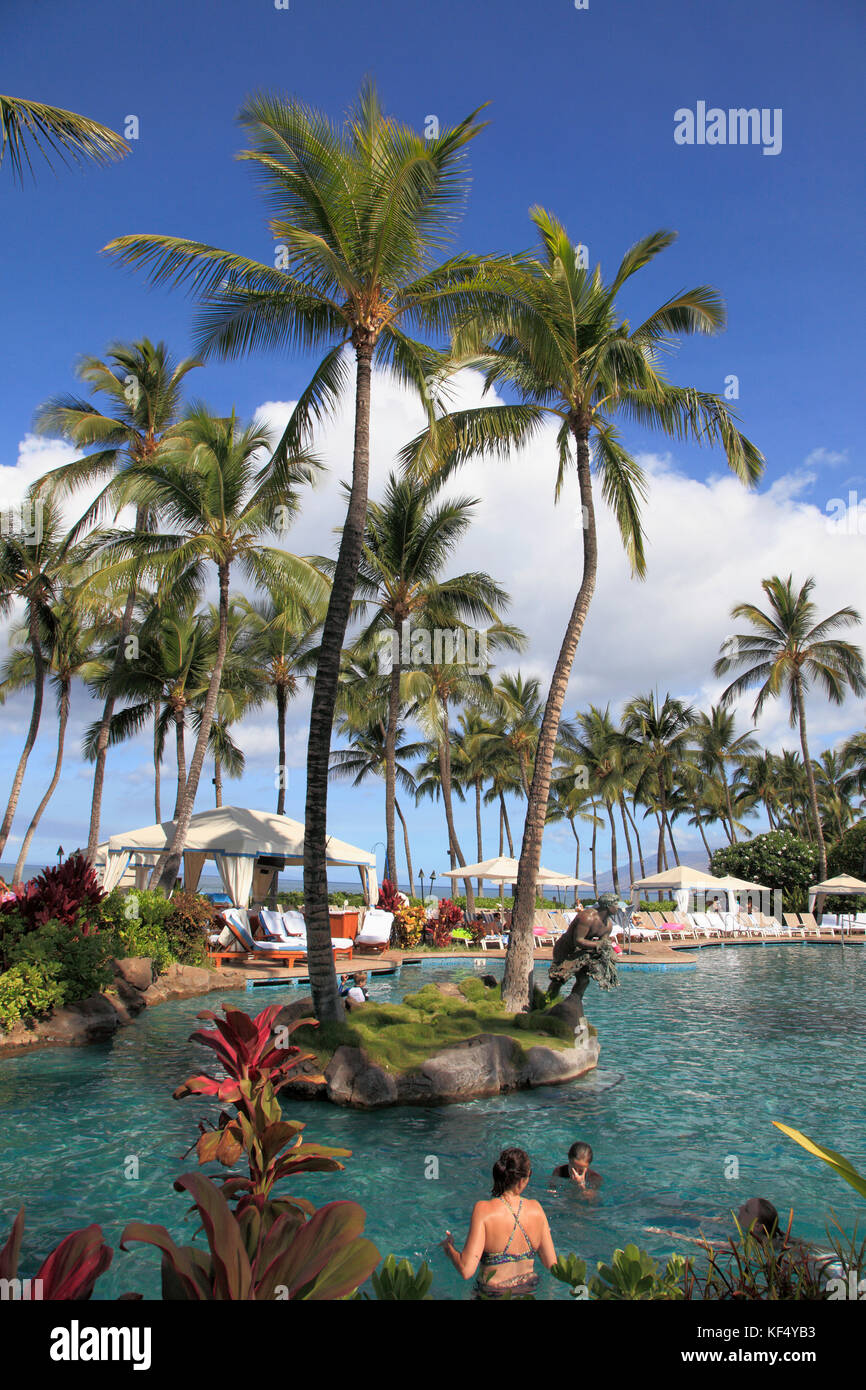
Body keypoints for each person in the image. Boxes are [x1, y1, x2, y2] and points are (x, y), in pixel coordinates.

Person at [441, 1148, 557, 1298]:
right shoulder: (537, 1210)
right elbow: (552, 1265)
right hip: (528, 1291)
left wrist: (449, 1248)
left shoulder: (484, 1210)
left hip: (492, 1294)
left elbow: (466, 1270)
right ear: (523, 1180)